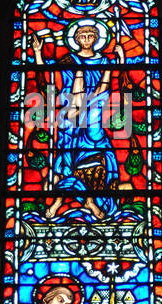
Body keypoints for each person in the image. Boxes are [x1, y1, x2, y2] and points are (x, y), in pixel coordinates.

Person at [33, 20, 122, 221]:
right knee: (66, 157)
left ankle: (89, 201)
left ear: (96, 39)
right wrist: (38, 53)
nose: (86, 40)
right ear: (76, 39)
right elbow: (47, 74)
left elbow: (105, 86)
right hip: (70, 110)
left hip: (94, 108)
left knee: (95, 150)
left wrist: (119, 58)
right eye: (82, 36)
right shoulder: (68, 60)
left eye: (90, 36)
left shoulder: (103, 61)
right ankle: (63, 201)